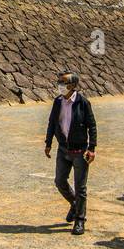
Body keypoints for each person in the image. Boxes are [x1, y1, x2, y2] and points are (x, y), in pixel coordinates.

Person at [44, 70, 96, 235]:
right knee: (60, 181)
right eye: (59, 82)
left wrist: (92, 148)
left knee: (81, 187)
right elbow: (52, 122)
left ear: (73, 86)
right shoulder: (57, 102)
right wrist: (48, 142)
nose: (60, 86)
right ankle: (75, 204)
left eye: (63, 83)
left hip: (80, 150)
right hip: (63, 148)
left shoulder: (83, 103)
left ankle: (80, 220)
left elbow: (92, 126)